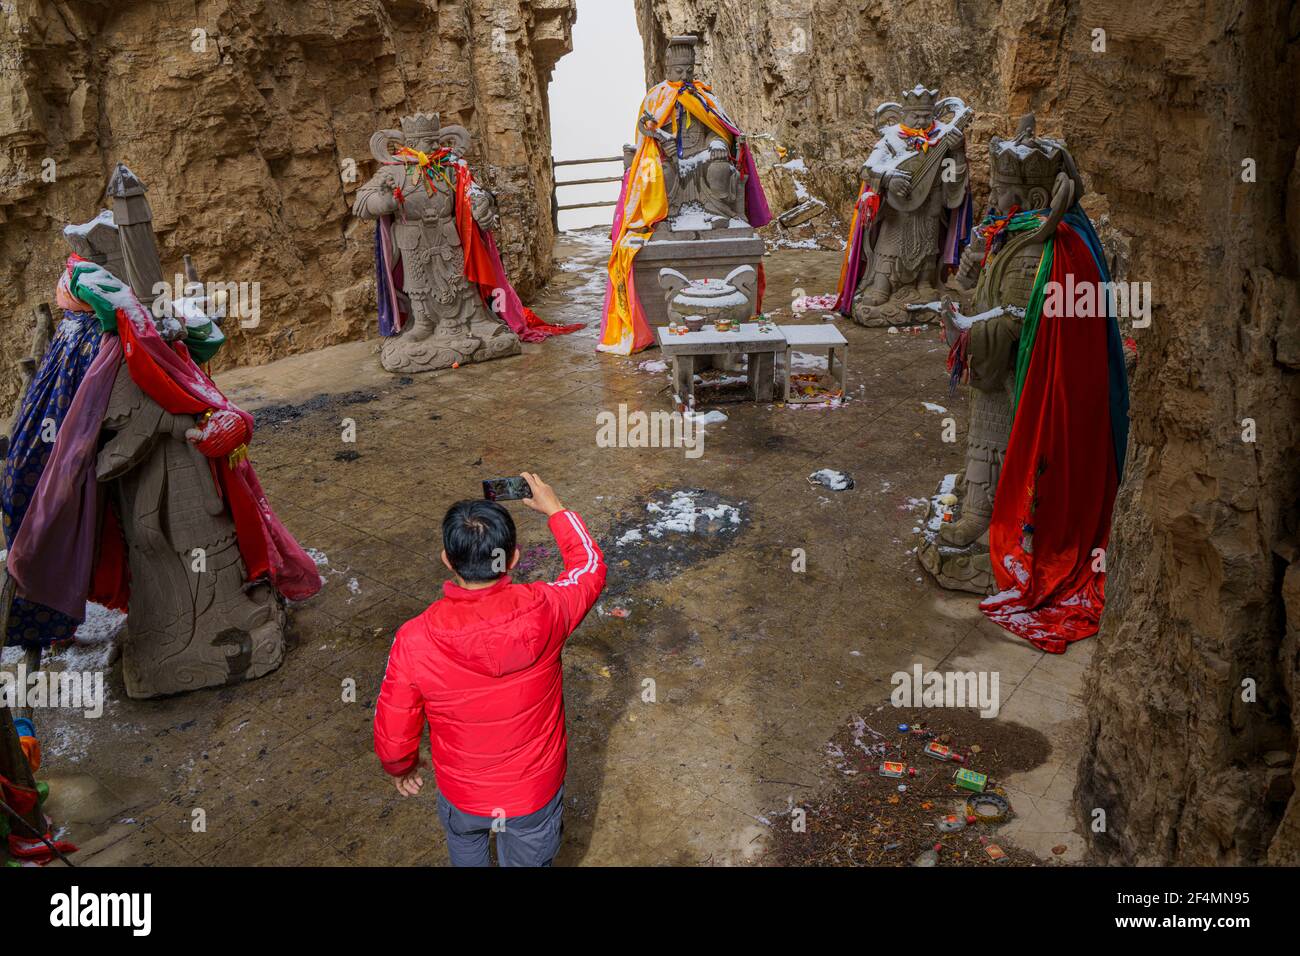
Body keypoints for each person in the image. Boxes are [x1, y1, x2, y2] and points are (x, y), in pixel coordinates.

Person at [373, 473, 606, 866]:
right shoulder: (549, 609)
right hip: (533, 795)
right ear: (513, 558)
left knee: (466, 851)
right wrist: (556, 510)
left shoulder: (414, 639)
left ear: (448, 560)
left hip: (464, 797)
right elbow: (590, 567)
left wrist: (402, 766)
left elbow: (395, 729)